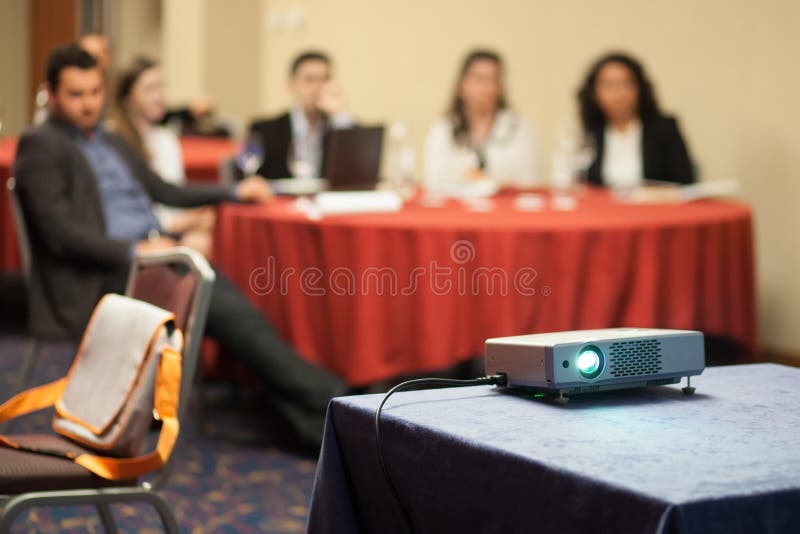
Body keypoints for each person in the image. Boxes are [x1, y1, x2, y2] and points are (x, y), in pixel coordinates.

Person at [13, 44, 347, 448]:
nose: (88, 104)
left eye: (95, 92)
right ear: (51, 93)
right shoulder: (40, 145)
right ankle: (336, 404)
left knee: (239, 319)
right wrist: (136, 251)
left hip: (152, 259)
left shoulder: (109, 140)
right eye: (76, 94)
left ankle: (322, 417)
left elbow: (164, 190)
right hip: (102, 276)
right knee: (231, 313)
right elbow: (60, 233)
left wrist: (233, 191)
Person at [109, 57, 214, 256]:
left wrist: (191, 216)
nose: (159, 96)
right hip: (138, 231)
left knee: (204, 230)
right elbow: (131, 202)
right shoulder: (115, 140)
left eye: (161, 87)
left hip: (168, 222)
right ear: (128, 97)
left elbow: (174, 189)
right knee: (196, 243)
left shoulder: (165, 138)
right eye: (150, 89)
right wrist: (174, 222)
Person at [424, 49, 540, 189]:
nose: (485, 88)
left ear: (500, 87)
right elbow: (434, 181)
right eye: (478, 79)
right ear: (462, 85)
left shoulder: (520, 128)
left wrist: (492, 183)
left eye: (492, 79)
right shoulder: (443, 128)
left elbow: (531, 181)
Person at [577, 52, 696, 187]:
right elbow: (583, 184)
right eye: (609, 85)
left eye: (626, 84)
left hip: (655, 206)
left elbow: (685, 184)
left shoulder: (663, 129)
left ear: (640, 88)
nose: (618, 93)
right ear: (594, 93)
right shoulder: (591, 132)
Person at [246, 50, 353, 180]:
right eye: (310, 80)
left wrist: (337, 115)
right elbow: (250, 176)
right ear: (291, 85)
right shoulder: (265, 130)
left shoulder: (339, 125)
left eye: (324, 80)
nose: (317, 87)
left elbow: (356, 168)